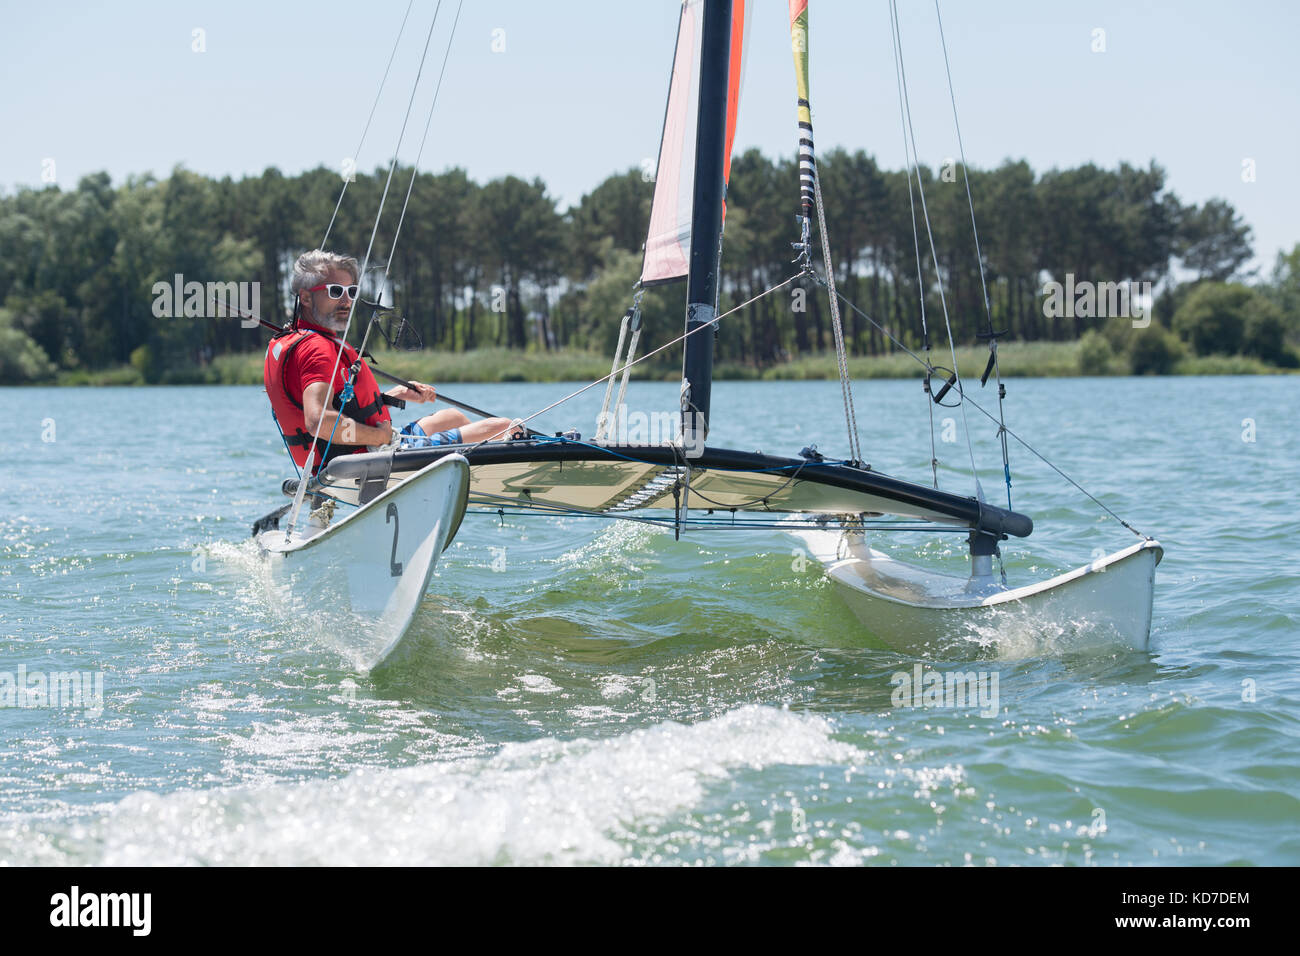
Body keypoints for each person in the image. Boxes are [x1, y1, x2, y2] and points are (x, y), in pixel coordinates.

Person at [264, 249, 522, 472]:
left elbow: (342, 403)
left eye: (351, 291)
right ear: (306, 297)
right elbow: (319, 421)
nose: (346, 301)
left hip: (353, 451)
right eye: (335, 291)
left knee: (451, 416)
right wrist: (378, 436)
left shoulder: (298, 338)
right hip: (367, 458)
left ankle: (469, 478)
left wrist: (391, 397)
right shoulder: (317, 350)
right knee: (503, 427)